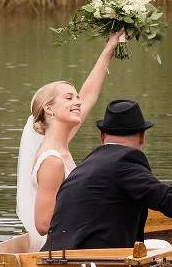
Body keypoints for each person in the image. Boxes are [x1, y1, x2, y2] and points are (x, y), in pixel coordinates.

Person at [43, 99, 172, 251]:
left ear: (102, 136)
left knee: (159, 245)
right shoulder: (124, 161)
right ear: (142, 137)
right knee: (163, 248)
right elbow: (163, 196)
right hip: (95, 263)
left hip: (53, 257)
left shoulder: (86, 166)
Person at [16, 32, 126, 250]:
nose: (77, 102)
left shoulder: (58, 143)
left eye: (76, 97)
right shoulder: (52, 160)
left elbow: (89, 95)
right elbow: (43, 223)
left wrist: (109, 50)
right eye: (69, 98)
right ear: (49, 108)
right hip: (63, 250)